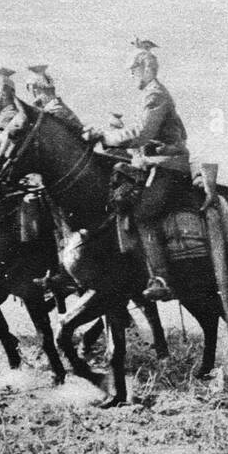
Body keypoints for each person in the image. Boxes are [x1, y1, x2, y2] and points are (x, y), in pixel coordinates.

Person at [87, 39, 191, 301]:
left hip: (167, 168)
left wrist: (105, 136)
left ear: (146, 68)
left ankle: (161, 278)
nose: (131, 75)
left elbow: (142, 133)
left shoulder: (155, 95)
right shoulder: (150, 94)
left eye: (133, 70)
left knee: (143, 213)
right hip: (154, 165)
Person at [26, 64, 84, 130]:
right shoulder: (33, 80)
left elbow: (49, 91)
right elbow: (37, 96)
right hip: (49, 105)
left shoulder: (45, 77)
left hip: (53, 104)